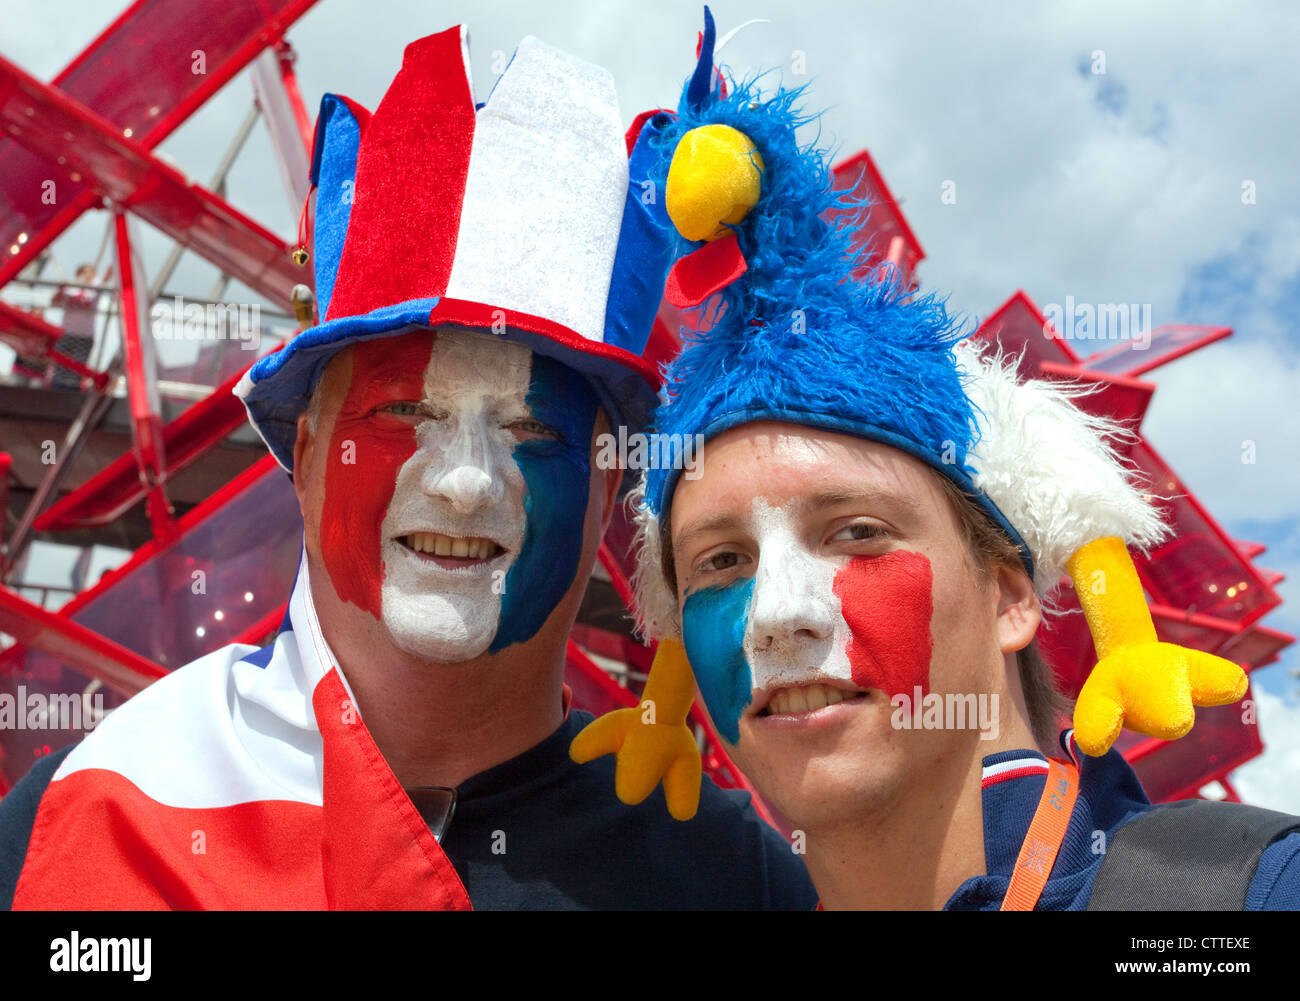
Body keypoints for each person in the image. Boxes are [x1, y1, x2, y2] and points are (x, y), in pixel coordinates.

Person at [0, 24, 815, 911]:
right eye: (403, 412)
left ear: (607, 486)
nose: (466, 482)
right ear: (305, 454)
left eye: (532, 432)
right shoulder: (85, 821)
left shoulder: (733, 886)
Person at [574, 10, 1300, 910]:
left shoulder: (1242, 901)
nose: (775, 617)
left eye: (856, 531)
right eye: (721, 561)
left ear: (1009, 595)